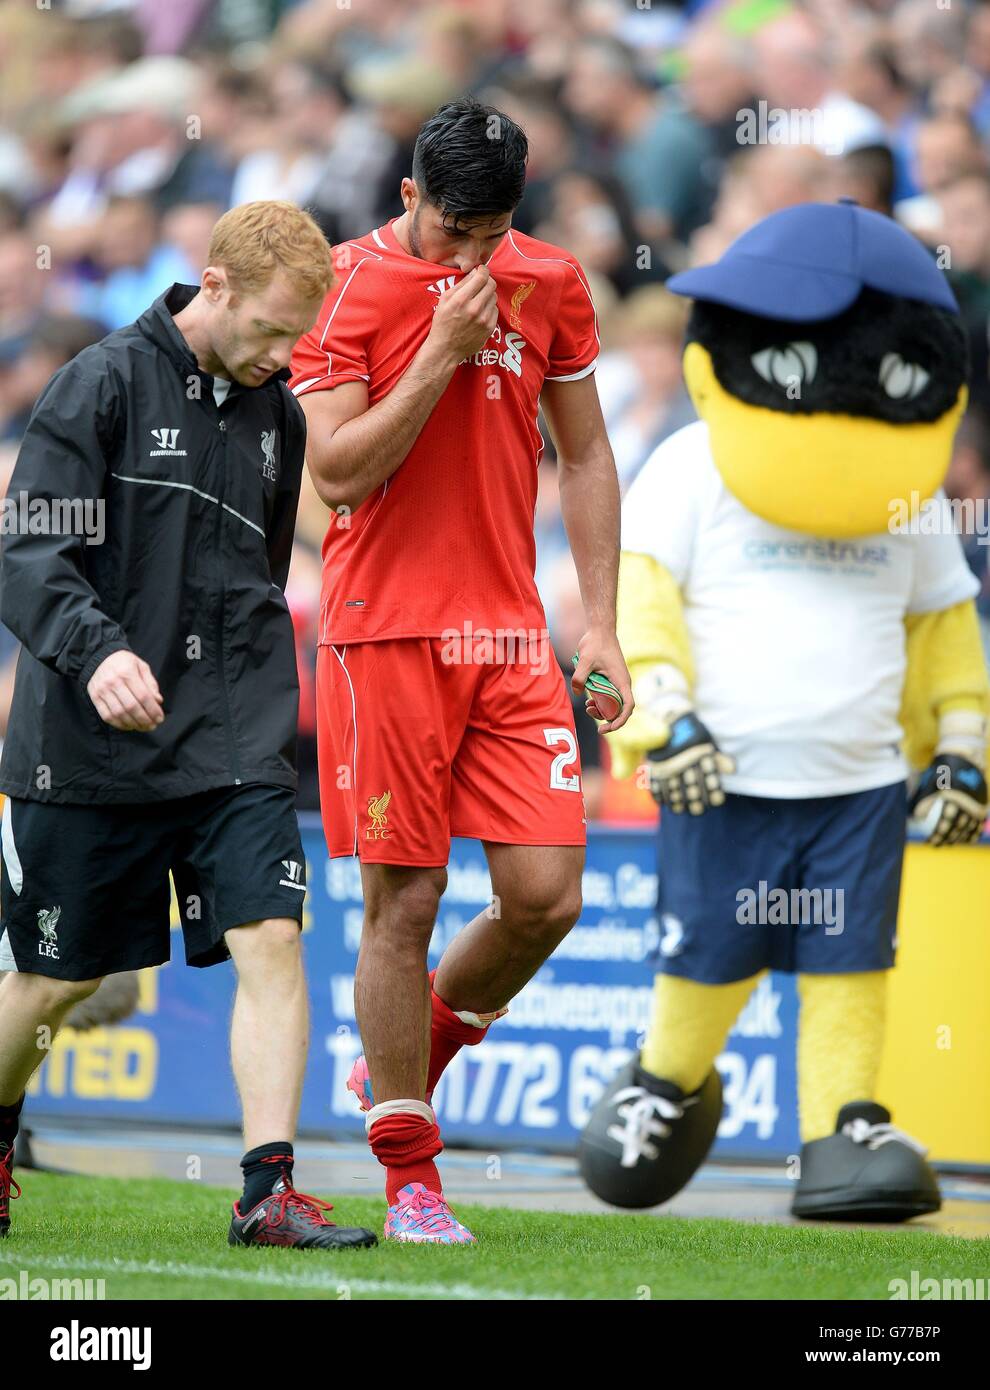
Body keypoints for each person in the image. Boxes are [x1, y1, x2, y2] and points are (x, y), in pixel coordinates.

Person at [0, 199, 377, 1251]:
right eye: (270, 330)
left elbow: (257, 577)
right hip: (93, 739)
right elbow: (26, 553)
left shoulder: (279, 414)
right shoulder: (102, 383)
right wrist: (100, 650)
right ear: (214, 287)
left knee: (271, 935)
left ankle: (267, 1191)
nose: (284, 355)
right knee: (54, 979)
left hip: (235, 739)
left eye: (300, 335)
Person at [290, 97, 632, 1244]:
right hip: (384, 635)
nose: (473, 258)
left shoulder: (552, 282)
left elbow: (585, 454)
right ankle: (410, 1178)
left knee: (547, 897)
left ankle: (409, 1058)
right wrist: (439, 347)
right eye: (451, 233)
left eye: (491, 235)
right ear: (406, 200)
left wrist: (603, 625)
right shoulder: (343, 284)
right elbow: (336, 474)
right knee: (409, 901)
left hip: (508, 636)